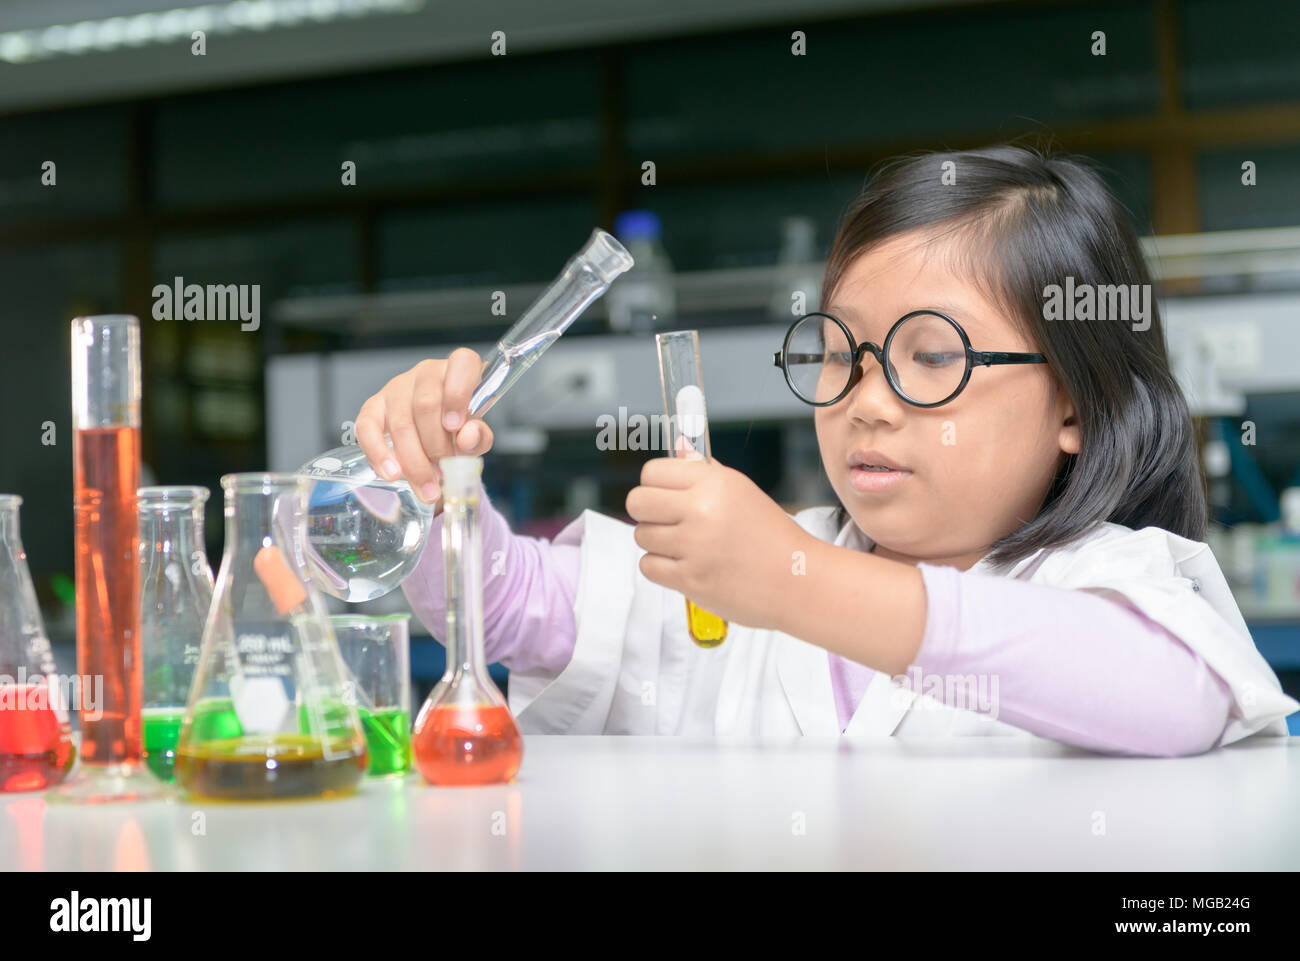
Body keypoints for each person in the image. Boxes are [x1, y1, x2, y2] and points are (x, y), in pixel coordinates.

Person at [355, 143, 1297, 756]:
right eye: (842, 354)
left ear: (1076, 405)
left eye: (934, 357)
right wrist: (434, 487)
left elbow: (1165, 695)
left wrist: (793, 578)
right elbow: (500, 605)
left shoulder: (1110, 579)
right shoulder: (733, 572)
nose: (866, 403)